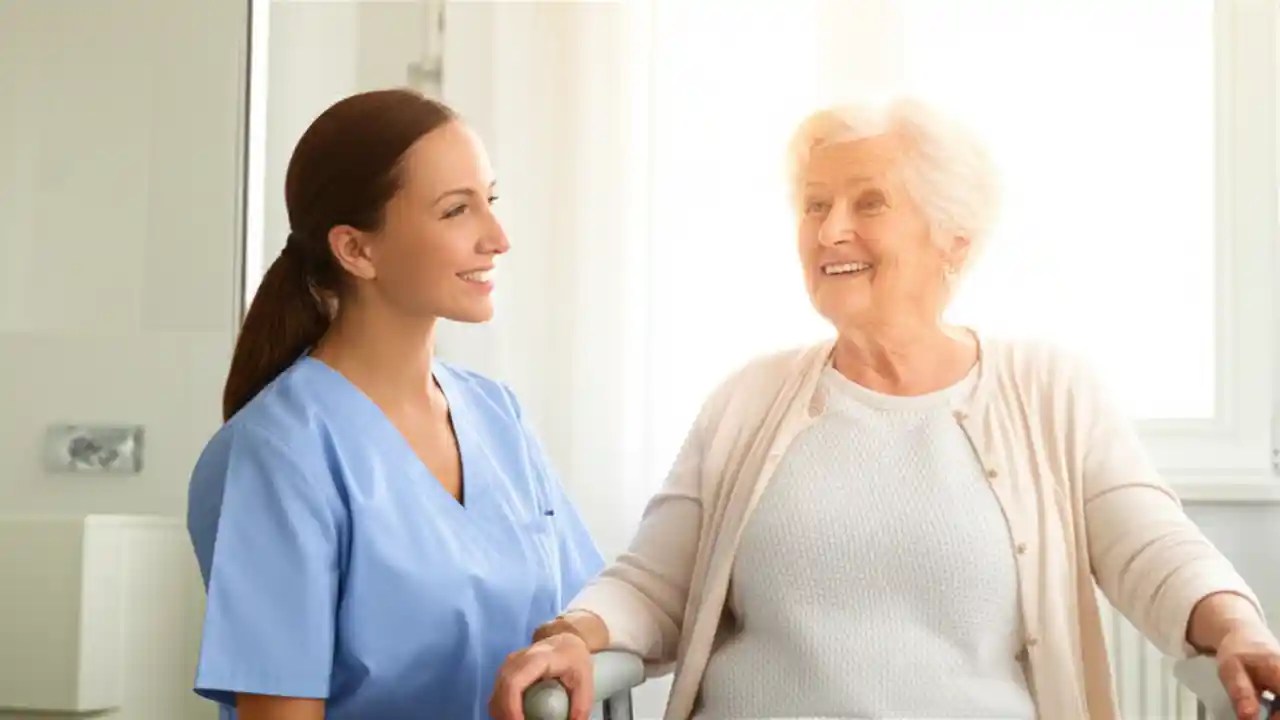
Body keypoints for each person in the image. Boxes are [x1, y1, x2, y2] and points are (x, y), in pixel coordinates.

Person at [491, 98, 1280, 720]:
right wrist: (575, 636)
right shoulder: (748, 399)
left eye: (869, 203)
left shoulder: (1049, 390)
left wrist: (1236, 626)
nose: (831, 229)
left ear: (954, 242)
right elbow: (652, 582)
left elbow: (1154, 547)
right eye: (814, 204)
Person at [186, 88, 603, 720]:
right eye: (457, 211)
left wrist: (575, 640)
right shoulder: (282, 450)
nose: (498, 238)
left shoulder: (498, 417)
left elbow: (587, 609)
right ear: (356, 249)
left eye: (489, 201)